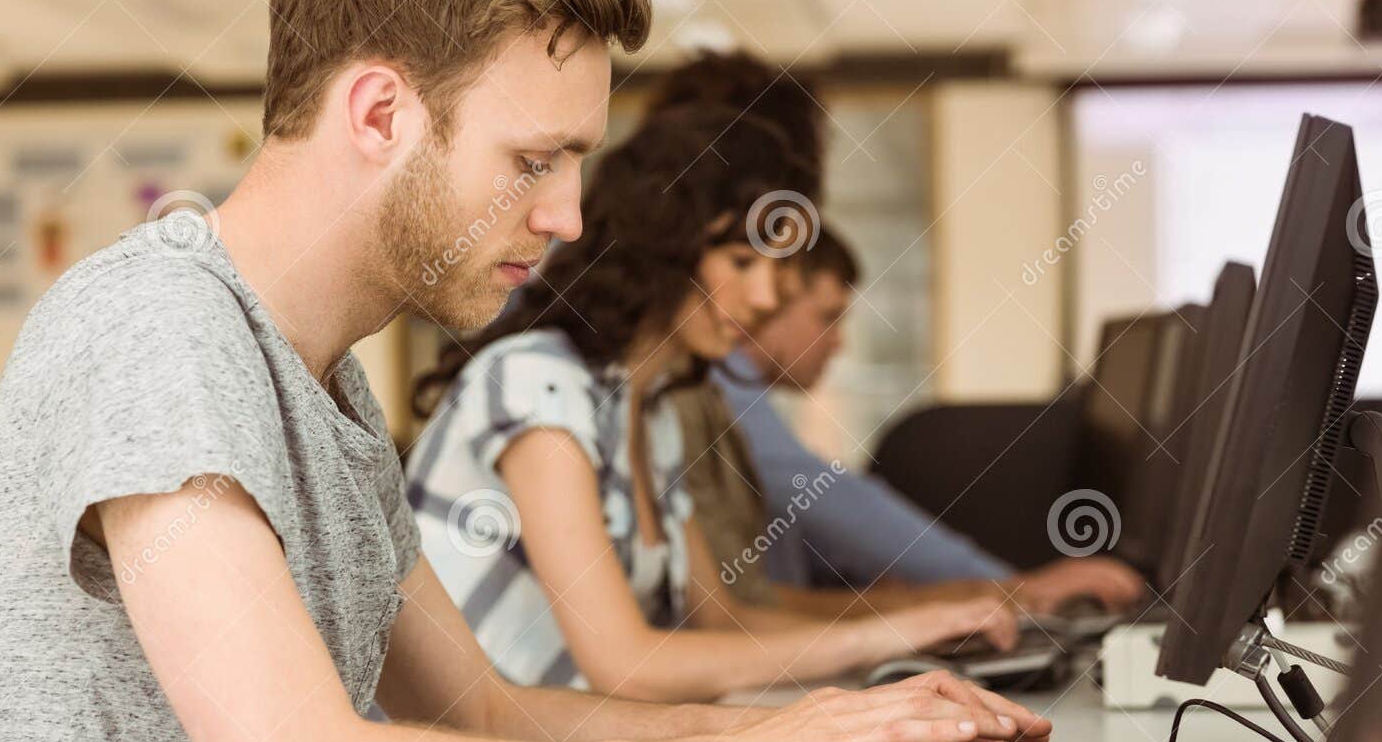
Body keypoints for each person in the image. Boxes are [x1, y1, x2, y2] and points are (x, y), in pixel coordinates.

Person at [0, 0, 1050, 742]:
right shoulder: (157, 327)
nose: (565, 216)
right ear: (378, 114)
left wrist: (811, 730)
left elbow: (488, 712)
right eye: (530, 161)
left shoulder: (328, 384)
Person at [405, 107, 1020, 703]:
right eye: (740, 261)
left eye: (776, 269)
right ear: (661, 251)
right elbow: (626, 666)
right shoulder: (536, 382)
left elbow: (722, 623)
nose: (765, 298)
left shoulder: (653, 414)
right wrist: (887, 636)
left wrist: (916, 640)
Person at [646, 50, 1141, 614]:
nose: (769, 290)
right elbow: (801, 493)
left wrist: (952, 603)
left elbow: (743, 606)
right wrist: (1007, 594)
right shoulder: (647, 357)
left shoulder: (692, 368)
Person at [713, 227, 1144, 613]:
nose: (837, 342)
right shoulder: (717, 384)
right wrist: (1011, 590)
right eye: (827, 317)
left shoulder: (735, 390)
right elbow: (819, 497)